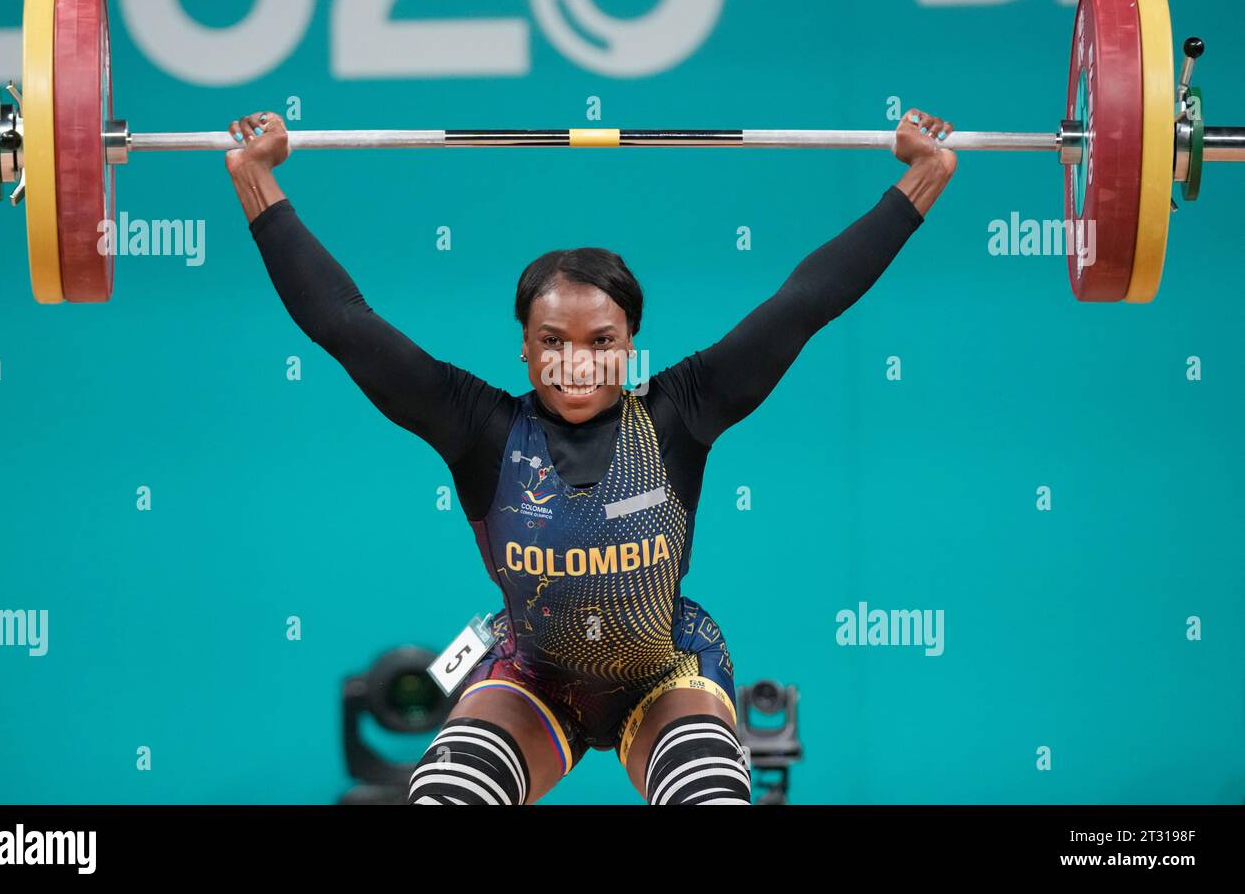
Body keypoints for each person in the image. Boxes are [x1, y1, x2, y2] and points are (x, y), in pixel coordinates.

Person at [225, 109, 956, 804]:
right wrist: (258, 181)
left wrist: (919, 181)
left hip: (664, 674)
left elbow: (806, 302)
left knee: (710, 794)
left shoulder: (682, 410)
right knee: (446, 795)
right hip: (533, 678)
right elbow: (343, 324)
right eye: (553, 341)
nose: (576, 362)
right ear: (523, 345)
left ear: (632, 344)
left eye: (601, 342)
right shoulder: (477, 427)